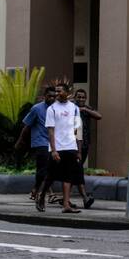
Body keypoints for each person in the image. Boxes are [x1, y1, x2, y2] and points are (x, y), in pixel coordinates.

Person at [38, 82, 82, 214]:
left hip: (71, 146)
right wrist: (54, 150)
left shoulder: (74, 108)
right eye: (56, 92)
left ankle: (66, 205)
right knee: (51, 175)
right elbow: (50, 131)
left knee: (68, 176)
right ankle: (41, 197)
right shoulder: (52, 109)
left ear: (67, 93)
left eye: (59, 91)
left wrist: (79, 150)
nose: (57, 94)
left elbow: (78, 129)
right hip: (57, 147)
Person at [17, 85, 57, 203]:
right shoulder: (36, 108)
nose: (52, 98)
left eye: (54, 96)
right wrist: (20, 141)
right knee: (44, 168)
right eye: (49, 96)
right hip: (40, 142)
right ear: (44, 96)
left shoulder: (57, 109)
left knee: (47, 169)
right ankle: (50, 194)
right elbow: (27, 126)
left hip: (53, 143)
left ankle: (35, 189)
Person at [72, 88, 102, 166]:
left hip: (84, 142)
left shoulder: (86, 108)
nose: (81, 99)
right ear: (74, 98)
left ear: (85, 98)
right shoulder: (71, 107)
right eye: (79, 97)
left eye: (83, 97)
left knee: (80, 163)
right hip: (72, 143)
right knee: (73, 164)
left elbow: (99, 116)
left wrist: (85, 109)